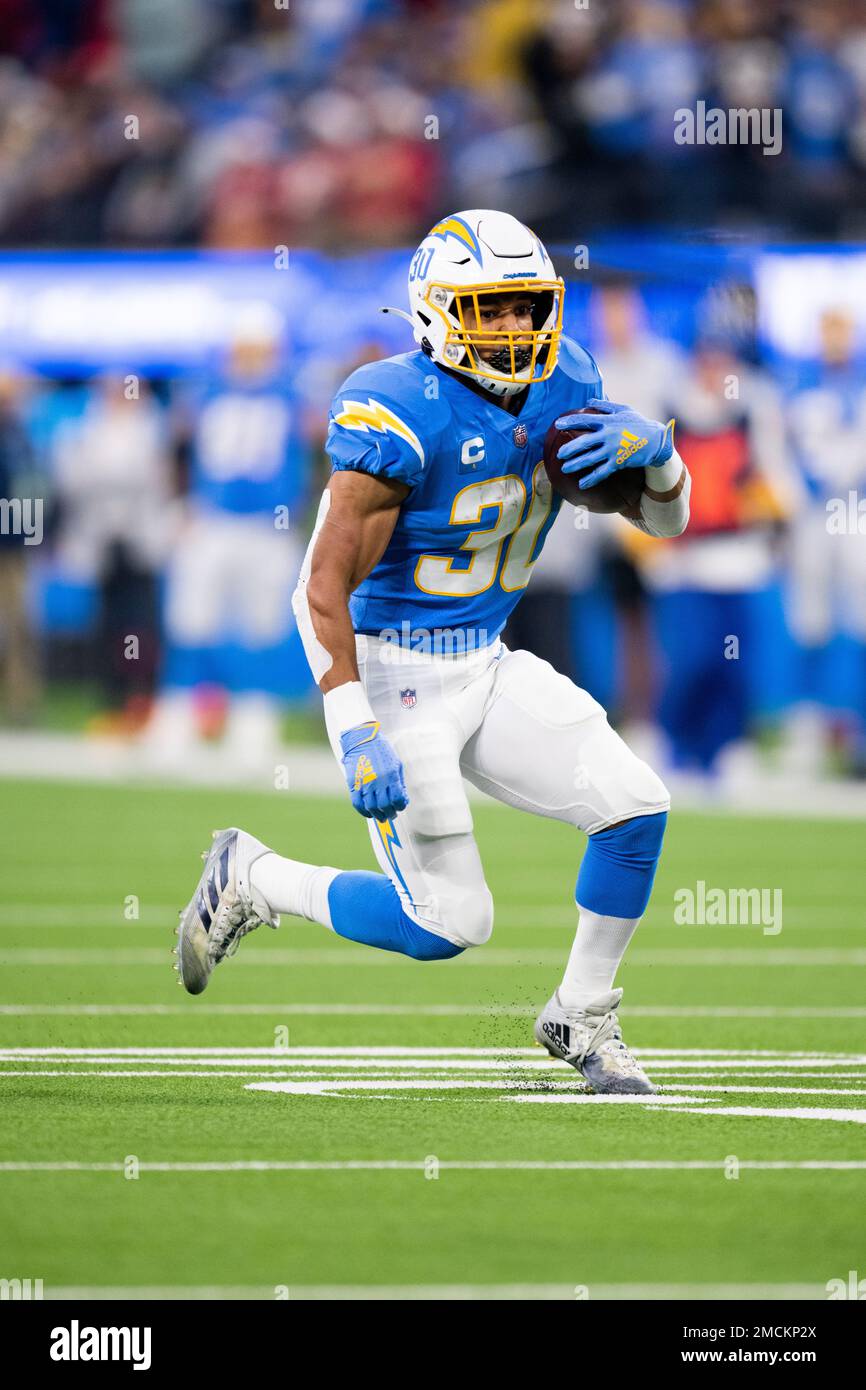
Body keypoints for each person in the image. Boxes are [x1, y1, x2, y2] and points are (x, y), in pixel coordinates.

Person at [174, 211, 690, 1096]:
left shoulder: (570, 381)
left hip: (485, 660)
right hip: (394, 672)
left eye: (528, 309)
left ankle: (582, 1015)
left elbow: (662, 526)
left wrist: (666, 463)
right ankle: (254, 875)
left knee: (636, 806)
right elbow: (317, 589)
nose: (516, 330)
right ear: (438, 312)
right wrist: (351, 727)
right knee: (449, 923)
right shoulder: (396, 407)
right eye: (490, 310)